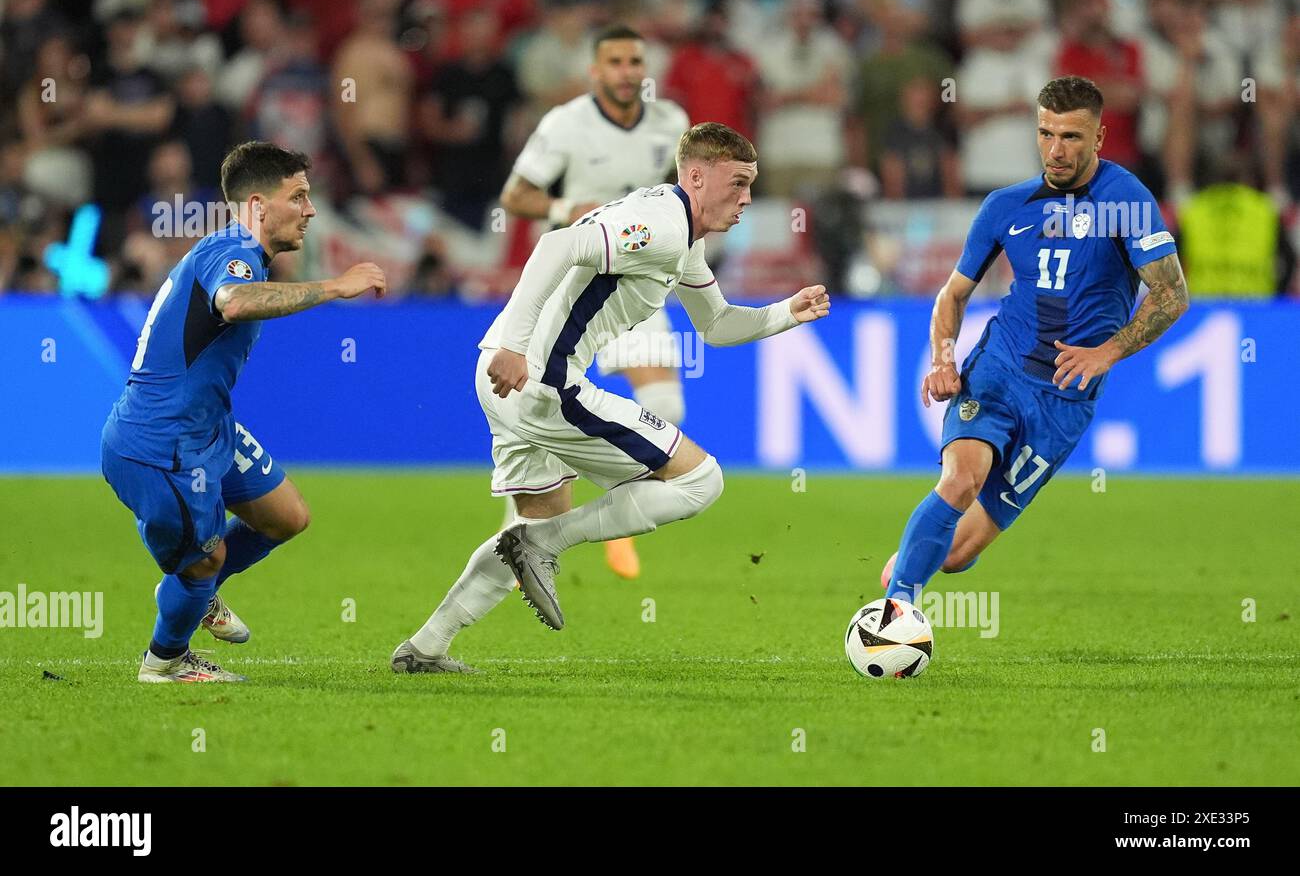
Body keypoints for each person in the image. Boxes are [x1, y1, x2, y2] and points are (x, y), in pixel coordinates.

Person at [392, 122, 830, 674]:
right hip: (543, 385)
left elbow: (716, 325)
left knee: (530, 523)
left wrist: (787, 312)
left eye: (751, 185)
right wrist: (515, 344)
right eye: (738, 183)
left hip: (500, 379)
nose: (747, 199)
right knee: (701, 481)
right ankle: (545, 543)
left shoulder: (681, 236)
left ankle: (426, 648)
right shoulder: (662, 227)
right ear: (696, 176)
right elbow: (557, 244)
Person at [878, 76, 1190, 602]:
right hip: (998, 371)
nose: (1055, 149)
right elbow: (951, 296)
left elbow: (1171, 295)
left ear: (1099, 138)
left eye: (1071, 137)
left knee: (955, 555)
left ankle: (915, 558)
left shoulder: (1125, 200)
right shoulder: (1006, 206)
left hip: (1063, 401)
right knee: (959, 481)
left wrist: (1105, 354)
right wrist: (943, 358)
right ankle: (896, 608)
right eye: (1045, 134)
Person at [101, 141, 387, 683]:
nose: (310, 209)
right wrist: (334, 286)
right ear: (258, 205)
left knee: (286, 517)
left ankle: (195, 588)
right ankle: (166, 662)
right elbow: (233, 301)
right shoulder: (230, 251)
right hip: (162, 441)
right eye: (298, 196)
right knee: (203, 561)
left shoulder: (240, 252)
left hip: (208, 427)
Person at [499, 24, 690, 580]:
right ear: (595, 71)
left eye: (636, 60)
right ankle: (528, 516)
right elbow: (515, 196)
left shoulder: (671, 123)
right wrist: (563, 207)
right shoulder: (565, 124)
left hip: (638, 282)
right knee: (549, 406)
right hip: (577, 282)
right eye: (616, 62)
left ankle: (610, 520)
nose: (628, 71)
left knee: (669, 411)